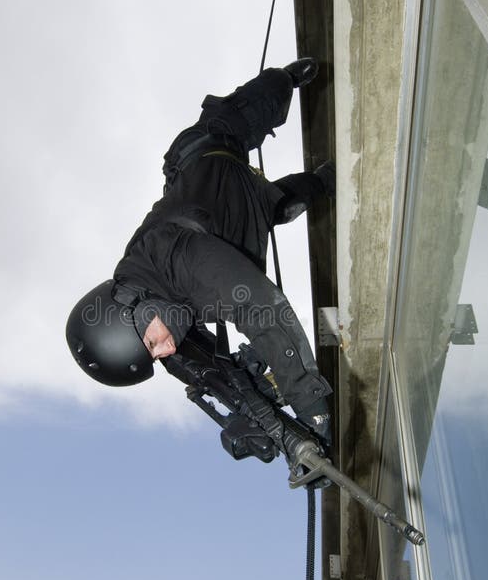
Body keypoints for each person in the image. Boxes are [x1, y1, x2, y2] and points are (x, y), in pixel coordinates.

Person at [66, 59, 335, 441]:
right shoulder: (160, 315)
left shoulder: (167, 256)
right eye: (154, 357)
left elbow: (256, 305)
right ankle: (327, 179)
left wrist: (311, 408)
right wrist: (261, 407)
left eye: (151, 345)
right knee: (280, 203)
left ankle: (285, 78)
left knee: (255, 104)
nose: (162, 352)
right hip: (243, 214)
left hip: (206, 150)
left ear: (133, 314)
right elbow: (202, 367)